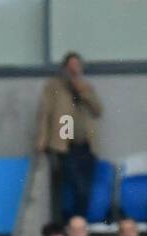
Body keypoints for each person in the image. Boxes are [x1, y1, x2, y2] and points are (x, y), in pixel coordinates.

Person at [36, 53, 103, 221]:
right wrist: (42, 138)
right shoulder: (54, 87)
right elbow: (45, 113)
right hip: (65, 145)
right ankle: (72, 223)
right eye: (71, 65)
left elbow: (98, 110)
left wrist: (83, 91)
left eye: (77, 65)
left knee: (86, 189)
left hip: (86, 145)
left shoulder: (86, 87)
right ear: (65, 68)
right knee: (75, 187)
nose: (74, 69)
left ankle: (80, 224)